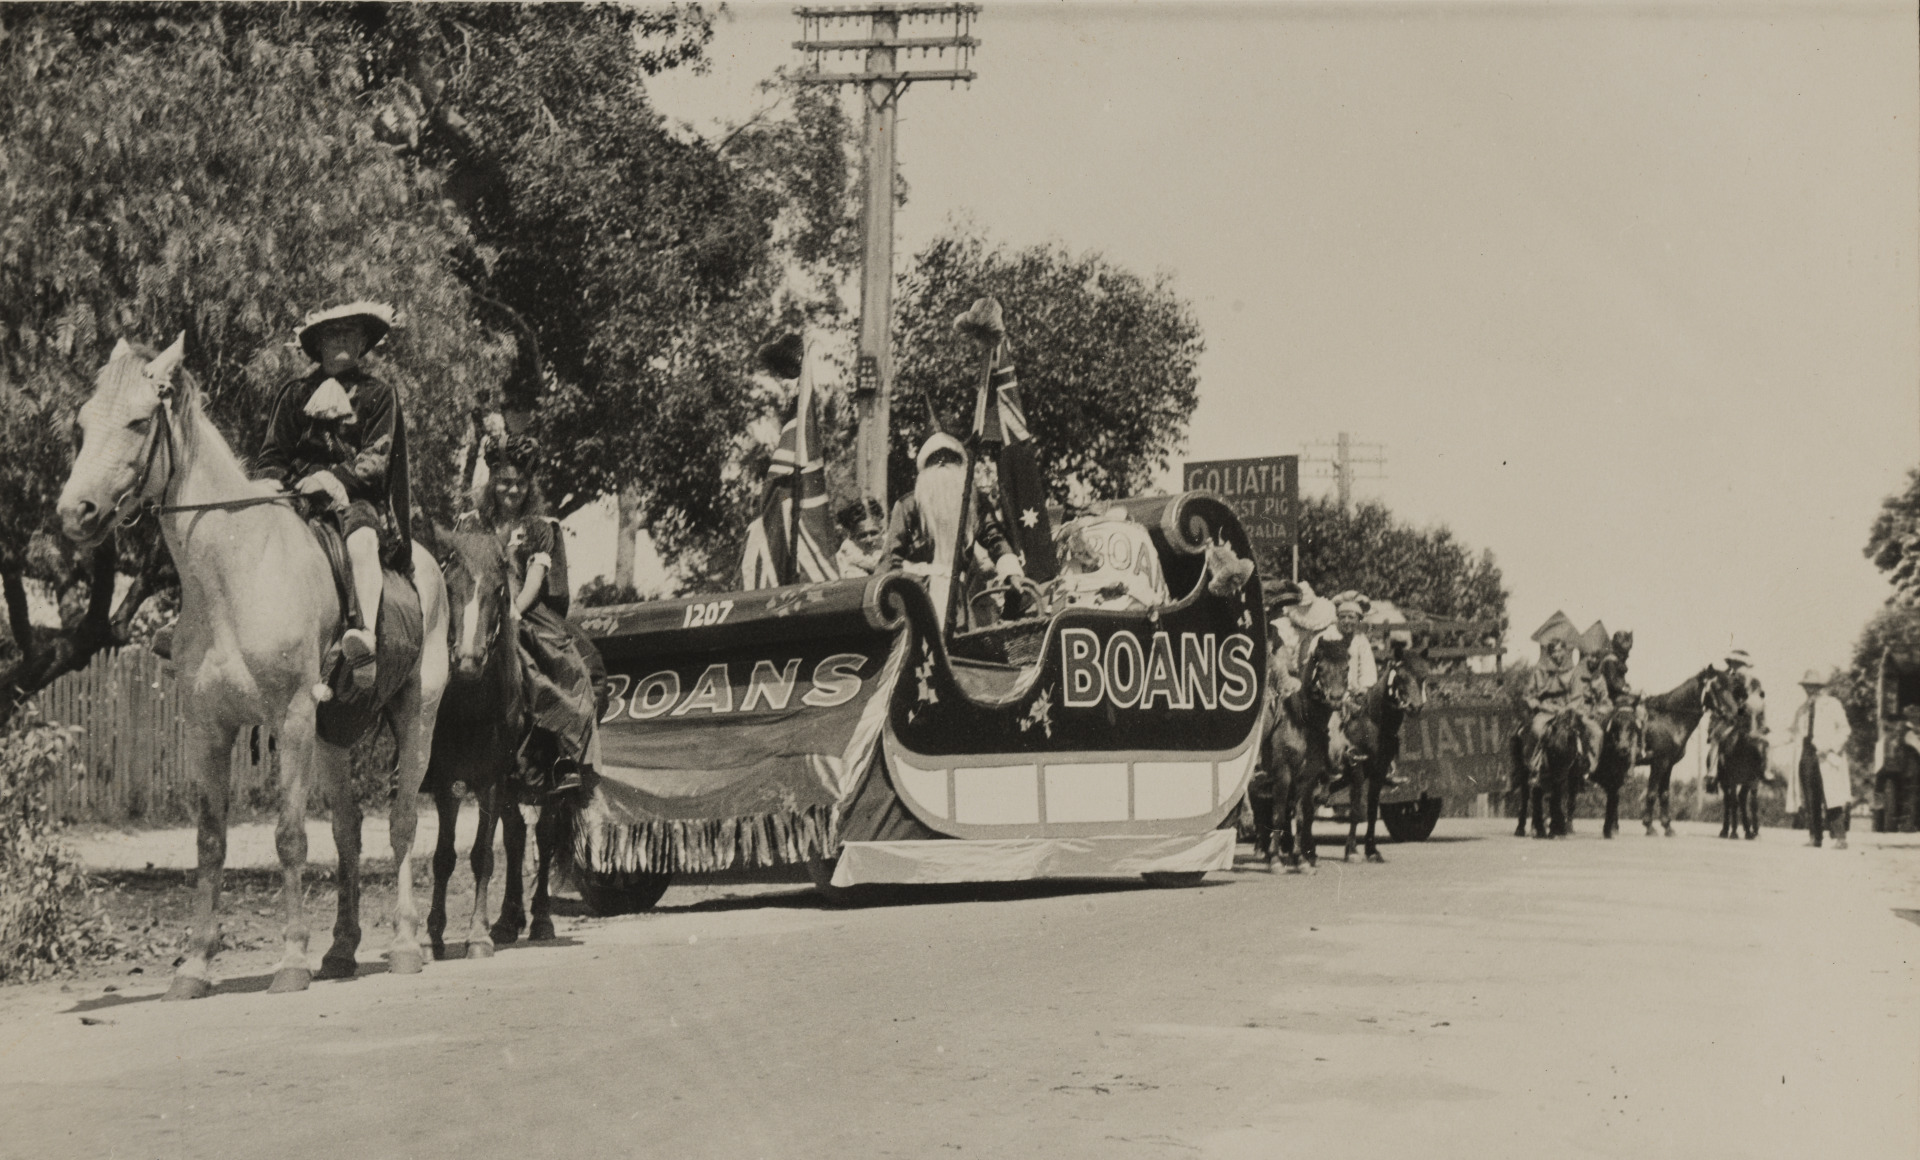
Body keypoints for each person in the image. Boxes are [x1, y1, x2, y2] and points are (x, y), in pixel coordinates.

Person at [255, 301, 408, 686]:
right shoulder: (294, 394)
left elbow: (375, 459)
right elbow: (273, 454)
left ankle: (365, 640)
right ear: (318, 345)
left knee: (362, 541)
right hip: (297, 497)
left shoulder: (379, 394)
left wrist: (331, 479)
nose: (340, 339)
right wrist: (277, 484)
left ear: (362, 343)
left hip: (353, 499)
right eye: (331, 334)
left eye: (349, 332)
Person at [457, 436, 598, 800]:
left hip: (524, 609)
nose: (513, 489)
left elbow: (537, 575)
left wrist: (515, 609)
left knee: (566, 666)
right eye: (505, 481)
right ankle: (416, 759)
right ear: (492, 482)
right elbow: (460, 573)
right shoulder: (471, 523)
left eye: (520, 482)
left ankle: (563, 756)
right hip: (479, 607)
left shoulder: (540, 526)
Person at [881, 432, 1023, 629]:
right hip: (916, 603)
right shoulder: (908, 506)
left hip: (958, 604)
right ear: (924, 470)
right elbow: (890, 560)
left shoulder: (973, 504)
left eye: (950, 459)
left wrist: (1011, 571)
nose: (942, 464)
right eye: (935, 460)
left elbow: (995, 538)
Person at [1783, 667, 1852, 848]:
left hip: (1825, 755)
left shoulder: (1832, 705)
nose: (1810, 690)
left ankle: (1840, 838)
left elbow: (1845, 730)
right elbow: (1792, 733)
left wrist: (1830, 747)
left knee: (1831, 795)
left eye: (1813, 687)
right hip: (1805, 755)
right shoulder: (1802, 710)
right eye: (1807, 687)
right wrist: (1766, 739)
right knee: (1810, 796)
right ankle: (1815, 837)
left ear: (1820, 687)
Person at [1520, 634, 1585, 774]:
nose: (1557, 655)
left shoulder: (1573, 672)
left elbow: (1578, 696)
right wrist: (1537, 704)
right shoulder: (1539, 671)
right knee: (1536, 729)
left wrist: (1568, 708)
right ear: (1549, 653)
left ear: (1565, 651)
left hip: (1566, 711)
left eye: (1560, 651)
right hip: (1546, 711)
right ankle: (1533, 764)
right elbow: (1528, 695)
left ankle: (1580, 765)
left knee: (1581, 729)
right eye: (1553, 651)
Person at [1874, 704, 1920, 834]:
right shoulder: (1908, 732)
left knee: (1904, 797)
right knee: (1911, 796)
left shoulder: (1896, 733)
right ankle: (1908, 825)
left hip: (1900, 769)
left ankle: (1893, 825)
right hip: (1911, 769)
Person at [834, 499, 884, 577]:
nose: (869, 540)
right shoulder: (843, 558)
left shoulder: (891, 549)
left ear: (881, 531)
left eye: (874, 533)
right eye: (863, 536)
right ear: (852, 537)